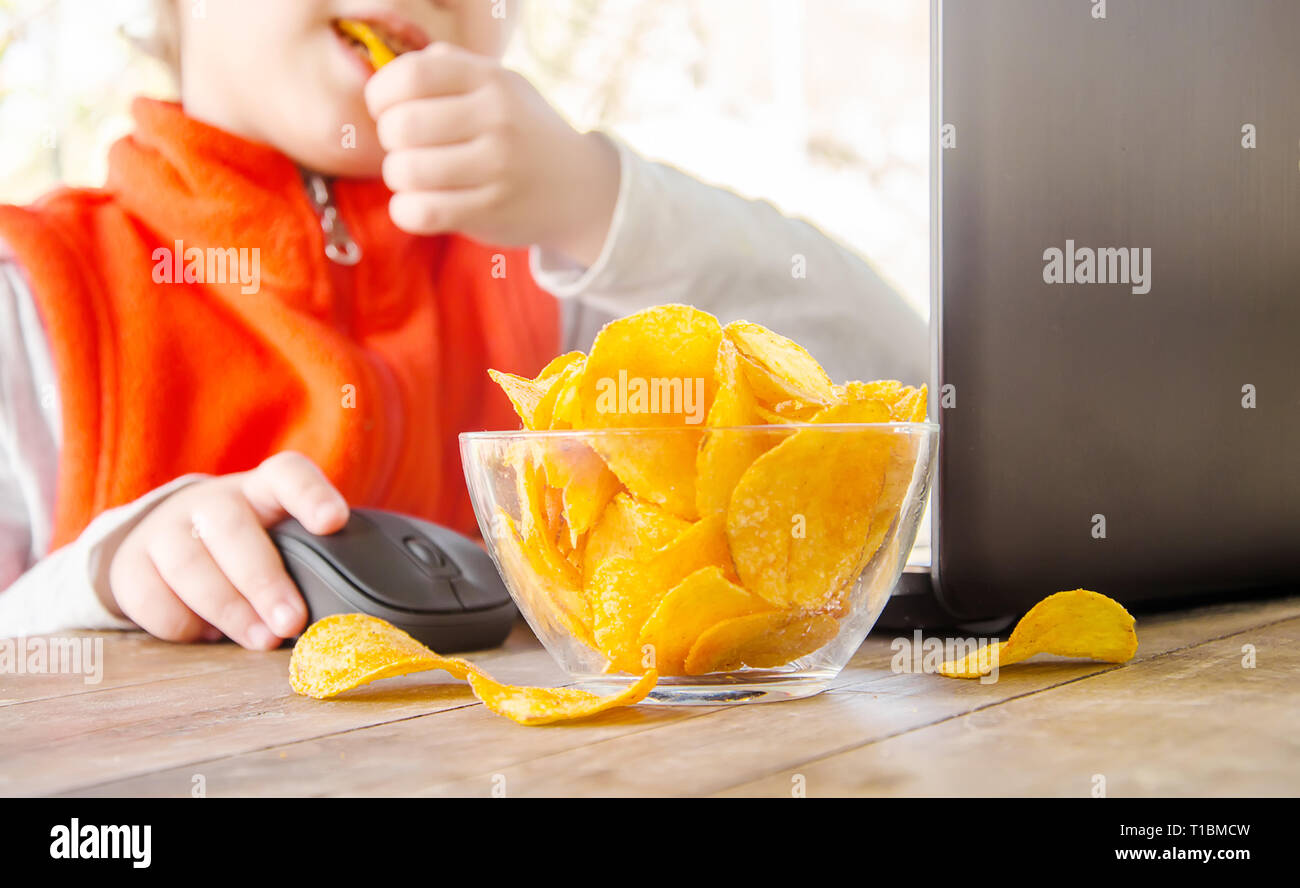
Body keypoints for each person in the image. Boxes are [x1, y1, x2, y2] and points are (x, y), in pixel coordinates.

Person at [0, 0, 925, 647]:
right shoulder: (34, 299)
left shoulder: (566, 293)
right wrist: (105, 576)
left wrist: (598, 199)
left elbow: (900, 383)